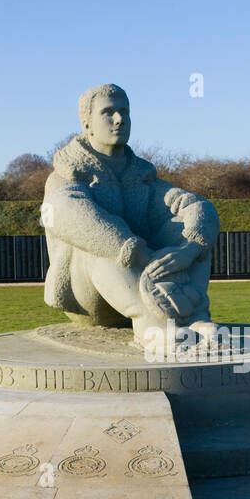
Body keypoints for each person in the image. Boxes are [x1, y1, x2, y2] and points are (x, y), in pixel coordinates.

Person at [41, 83, 220, 353]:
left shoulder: (142, 177)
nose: (119, 119)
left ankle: (192, 318)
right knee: (98, 237)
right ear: (87, 123)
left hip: (152, 283)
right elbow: (64, 212)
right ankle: (153, 328)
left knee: (191, 229)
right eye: (108, 112)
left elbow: (196, 205)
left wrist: (190, 248)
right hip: (91, 302)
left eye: (125, 112)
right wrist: (138, 252)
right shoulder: (65, 175)